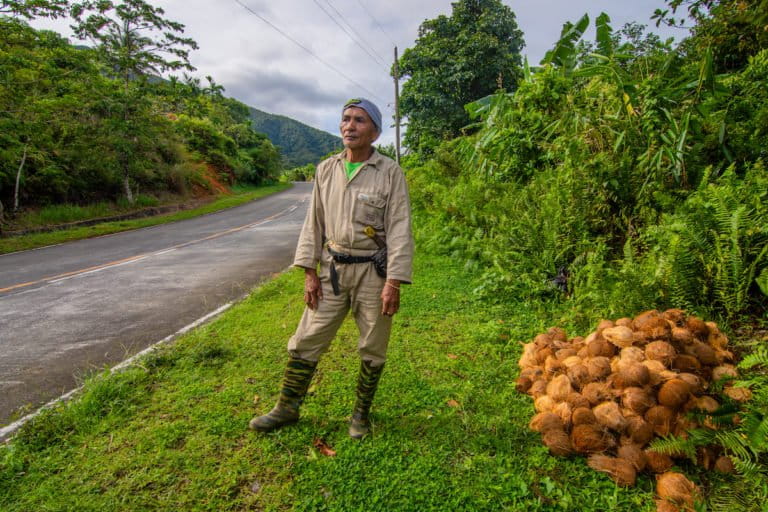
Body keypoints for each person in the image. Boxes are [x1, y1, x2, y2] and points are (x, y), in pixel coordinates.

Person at [249, 98, 414, 438]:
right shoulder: (326, 169)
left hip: (374, 271)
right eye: (346, 119)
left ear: (375, 132)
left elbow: (400, 228)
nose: (350, 126)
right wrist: (309, 272)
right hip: (332, 269)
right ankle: (287, 407)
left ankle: (360, 415)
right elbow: (314, 222)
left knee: (373, 342)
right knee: (308, 336)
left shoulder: (389, 172)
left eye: (360, 120)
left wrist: (394, 282)